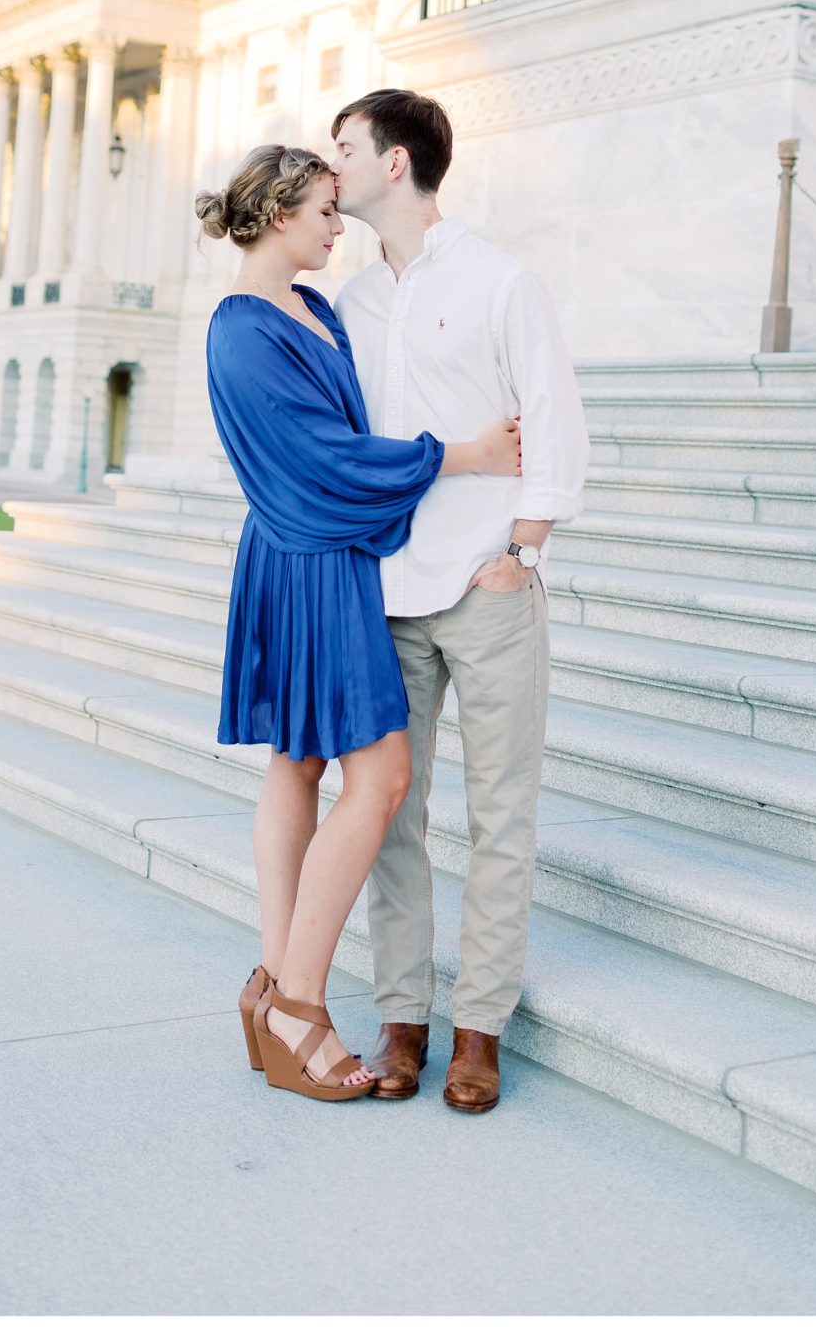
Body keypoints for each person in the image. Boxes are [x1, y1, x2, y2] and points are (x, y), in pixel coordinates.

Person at [196, 144, 522, 1104]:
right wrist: (462, 456)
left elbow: (356, 430)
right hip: (304, 557)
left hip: (329, 556)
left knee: (300, 764)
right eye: (324, 212)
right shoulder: (240, 328)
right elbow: (321, 460)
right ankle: (297, 1005)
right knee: (377, 778)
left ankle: (271, 990)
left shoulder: (316, 308)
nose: (338, 229)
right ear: (278, 214)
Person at [331, 89, 590, 1113]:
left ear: (394, 162)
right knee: (388, 814)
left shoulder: (499, 281)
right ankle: (401, 1018)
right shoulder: (350, 301)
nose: (330, 165)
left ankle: (479, 1027)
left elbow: (553, 417)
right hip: (386, 590)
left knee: (500, 814)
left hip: (485, 581)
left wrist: (522, 551)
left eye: (343, 147)